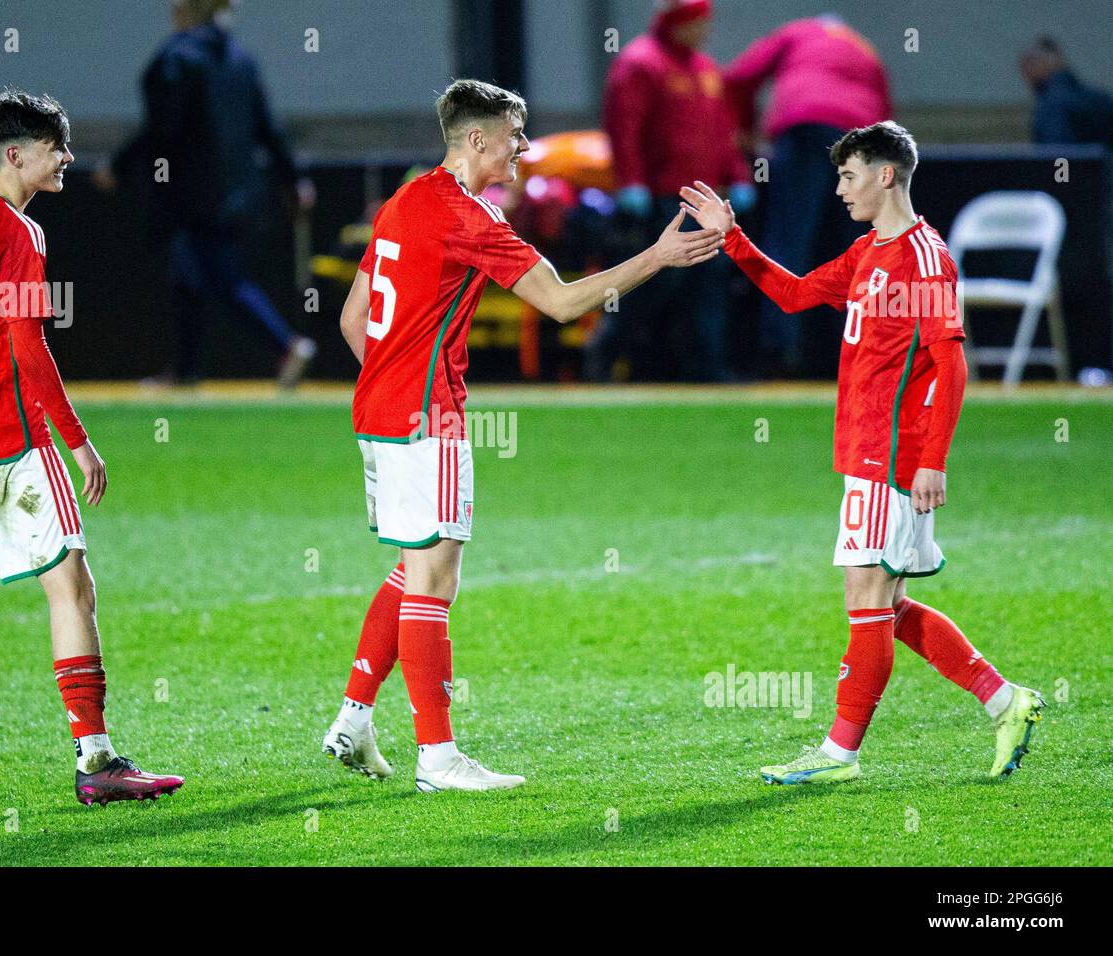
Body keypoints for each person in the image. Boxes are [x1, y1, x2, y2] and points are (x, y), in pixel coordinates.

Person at [322, 79, 723, 792]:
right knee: (435, 580)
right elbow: (566, 304)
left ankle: (354, 718)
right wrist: (658, 257)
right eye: (514, 135)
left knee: (412, 568)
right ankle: (438, 758)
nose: (524, 149)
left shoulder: (405, 200)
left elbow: (353, 320)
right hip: (426, 416)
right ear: (478, 140)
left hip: (378, 411)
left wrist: (394, 379)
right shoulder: (467, 217)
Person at [680, 121, 1045, 784]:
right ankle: (1007, 700)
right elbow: (794, 295)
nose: (840, 189)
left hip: (893, 458)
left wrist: (933, 459)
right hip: (865, 454)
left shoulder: (923, 257)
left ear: (884, 175)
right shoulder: (870, 251)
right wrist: (730, 236)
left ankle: (838, 754)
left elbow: (951, 365)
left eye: (849, 176)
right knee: (889, 606)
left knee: (866, 598)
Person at [0, 89, 183, 808]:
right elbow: (26, 345)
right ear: (15, 154)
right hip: (10, 441)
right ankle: (95, 759)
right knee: (72, 587)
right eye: (55, 147)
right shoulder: (17, 232)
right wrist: (79, 441)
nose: (66, 158)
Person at [97, 0, 316, 389]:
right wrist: (293, 179)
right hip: (239, 193)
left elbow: (161, 129)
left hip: (189, 193)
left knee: (222, 277)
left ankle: (286, 344)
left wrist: (119, 164)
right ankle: (185, 371)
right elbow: (269, 126)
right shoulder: (240, 59)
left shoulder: (177, 58)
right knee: (189, 275)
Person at [723, 14, 891, 378]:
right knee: (857, 250)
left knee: (789, 242)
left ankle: (779, 352)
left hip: (807, 127)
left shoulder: (797, 32)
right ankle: (857, 352)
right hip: (864, 141)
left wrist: (744, 132)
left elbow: (737, 78)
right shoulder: (865, 49)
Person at [593, 0, 751, 383]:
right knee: (653, 283)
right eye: (697, 24)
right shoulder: (640, 63)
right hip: (664, 200)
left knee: (709, 283)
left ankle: (707, 369)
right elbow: (624, 129)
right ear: (677, 24)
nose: (704, 32)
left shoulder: (706, 71)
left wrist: (740, 175)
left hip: (708, 202)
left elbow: (722, 133)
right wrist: (631, 183)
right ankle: (604, 355)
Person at [1020, 35, 1113, 147]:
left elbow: (1057, 156)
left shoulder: (1052, 104)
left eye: (1030, 62)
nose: (1026, 73)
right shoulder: (1101, 98)